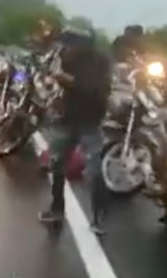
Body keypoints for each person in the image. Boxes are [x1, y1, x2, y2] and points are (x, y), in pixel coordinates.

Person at [38, 30, 112, 235]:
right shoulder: (68, 58)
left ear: (83, 45)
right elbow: (58, 79)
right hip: (68, 119)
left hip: (90, 122)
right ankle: (56, 210)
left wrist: (67, 80)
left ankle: (98, 218)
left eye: (70, 44)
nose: (66, 47)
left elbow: (94, 89)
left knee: (94, 172)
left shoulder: (100, 63)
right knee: (56, 163)